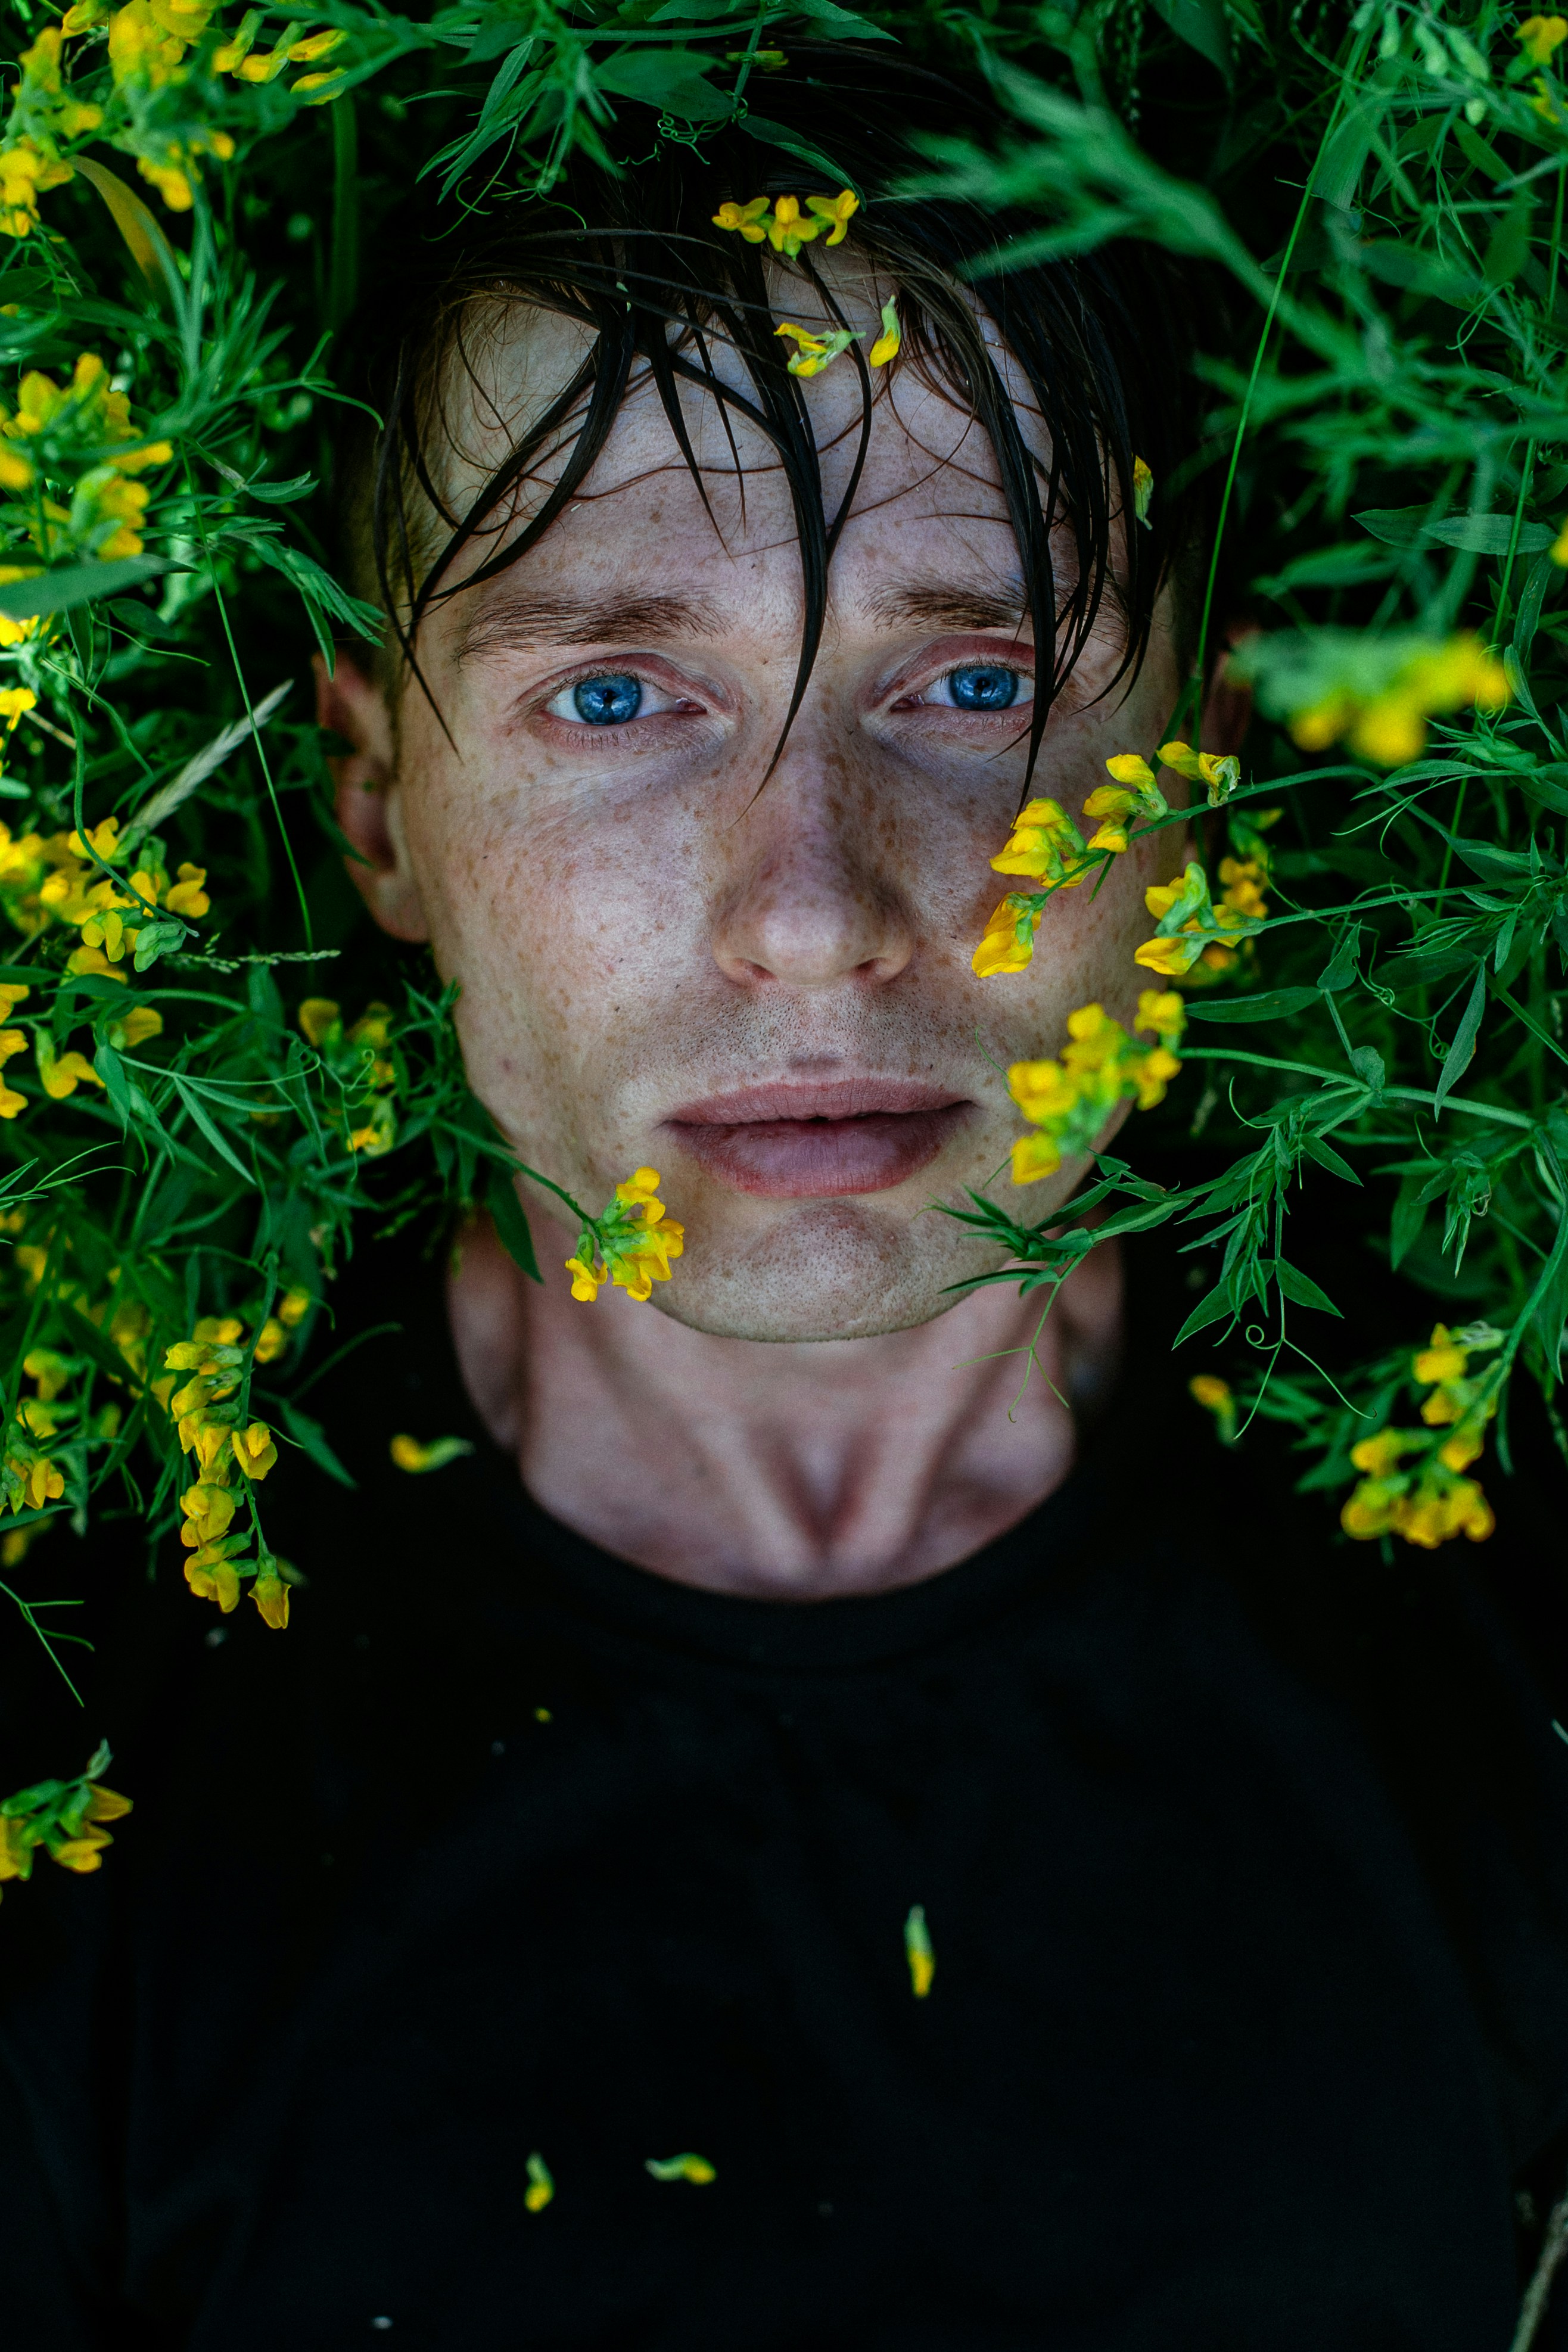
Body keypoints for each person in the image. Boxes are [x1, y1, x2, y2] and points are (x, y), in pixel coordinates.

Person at [4, 47, 1568, 2351]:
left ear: (1198, 780)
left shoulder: (1523, 1646)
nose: (816, 912)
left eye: (975, 675)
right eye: (618, 698)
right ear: (374, 807)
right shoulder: (74, 1774)